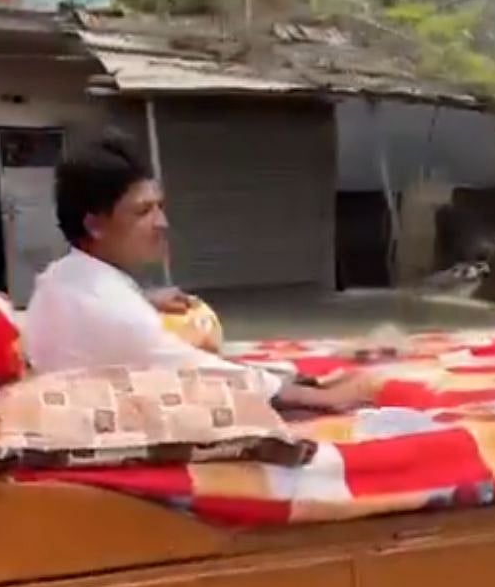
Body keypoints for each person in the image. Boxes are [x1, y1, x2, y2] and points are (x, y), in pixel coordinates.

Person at [23, 129, 374, 412]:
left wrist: (146, 300)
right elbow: (200, 372)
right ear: (95, 225)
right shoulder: (111, 310)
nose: (162, 223)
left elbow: (101, 320)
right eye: (143, 211)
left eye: (160, 207)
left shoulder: (62, 278)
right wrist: (315, 396)